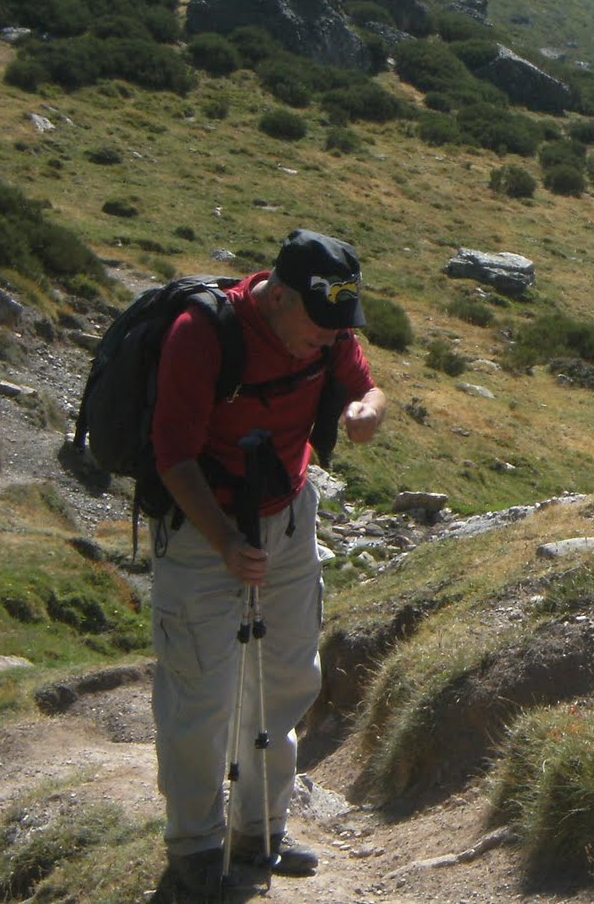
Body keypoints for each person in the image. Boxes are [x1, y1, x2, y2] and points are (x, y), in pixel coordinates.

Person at [149, 229, 387, 896]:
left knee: (284, 676)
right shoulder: (203, 334)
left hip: (286, 514)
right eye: (314, 330)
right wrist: (225, 541)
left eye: (335, 332)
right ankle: (195, 847)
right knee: (202, 688)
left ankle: (260, 829)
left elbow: (366, 386)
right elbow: (173, 455)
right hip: (203, 531)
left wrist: (368, 408)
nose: (324, 342)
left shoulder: (329, 324)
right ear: (277, 295)